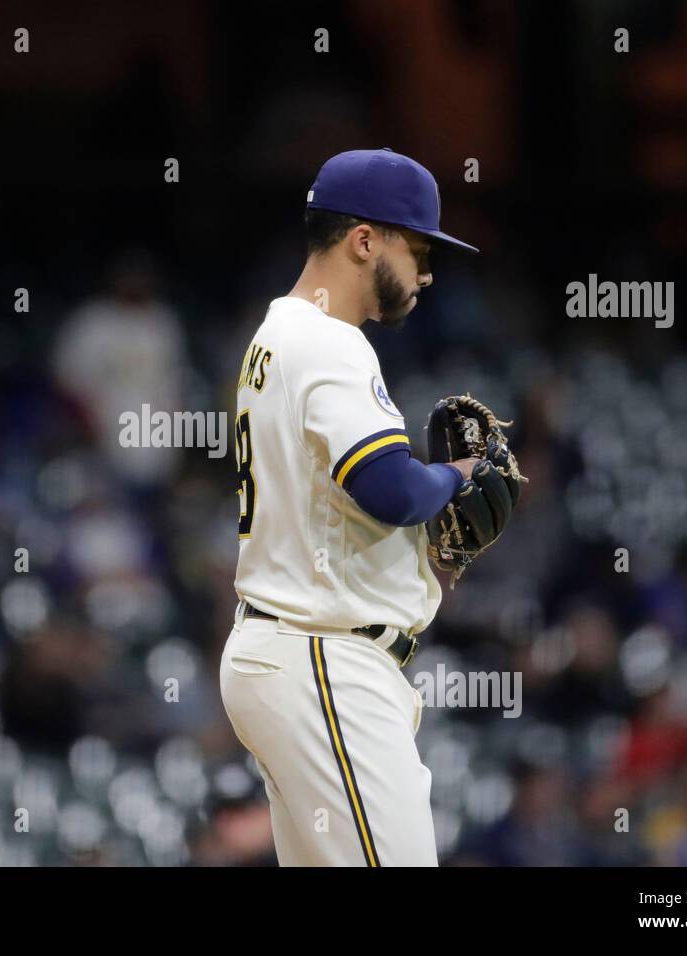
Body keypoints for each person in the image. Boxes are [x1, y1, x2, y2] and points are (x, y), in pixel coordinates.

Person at [219, 148, 480, 866]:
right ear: (365, 240)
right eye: (418, 247)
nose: (426, 272)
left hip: (292, 650)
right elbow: (392, 491)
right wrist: (456, 476)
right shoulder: (331, 342)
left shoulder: (274, 335)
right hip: (323, 658)